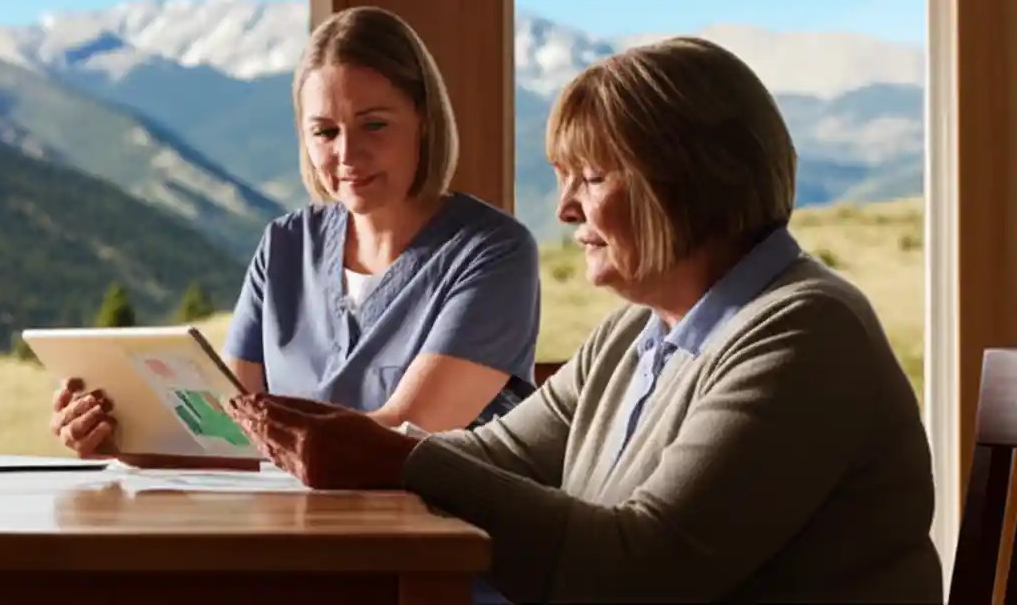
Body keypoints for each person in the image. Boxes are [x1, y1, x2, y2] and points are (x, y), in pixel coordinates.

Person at [228, 36, 942, 603]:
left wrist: (397, 458)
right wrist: (355, 444)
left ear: (688, 183)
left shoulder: (803, 334)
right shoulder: (638, 334)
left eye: (592, 179)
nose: (566, 209)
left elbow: (639, 575)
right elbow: (498, 456)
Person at [50, 5, 541, 459]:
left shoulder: (493, 253)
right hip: (288, 531)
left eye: (373, 125)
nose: (346, 154)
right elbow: (227, 430)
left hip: (437, 540)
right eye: (325, 132)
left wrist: (251, 437)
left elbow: (398, 436)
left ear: (424, 122)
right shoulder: (285, 245)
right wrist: (126, 438)